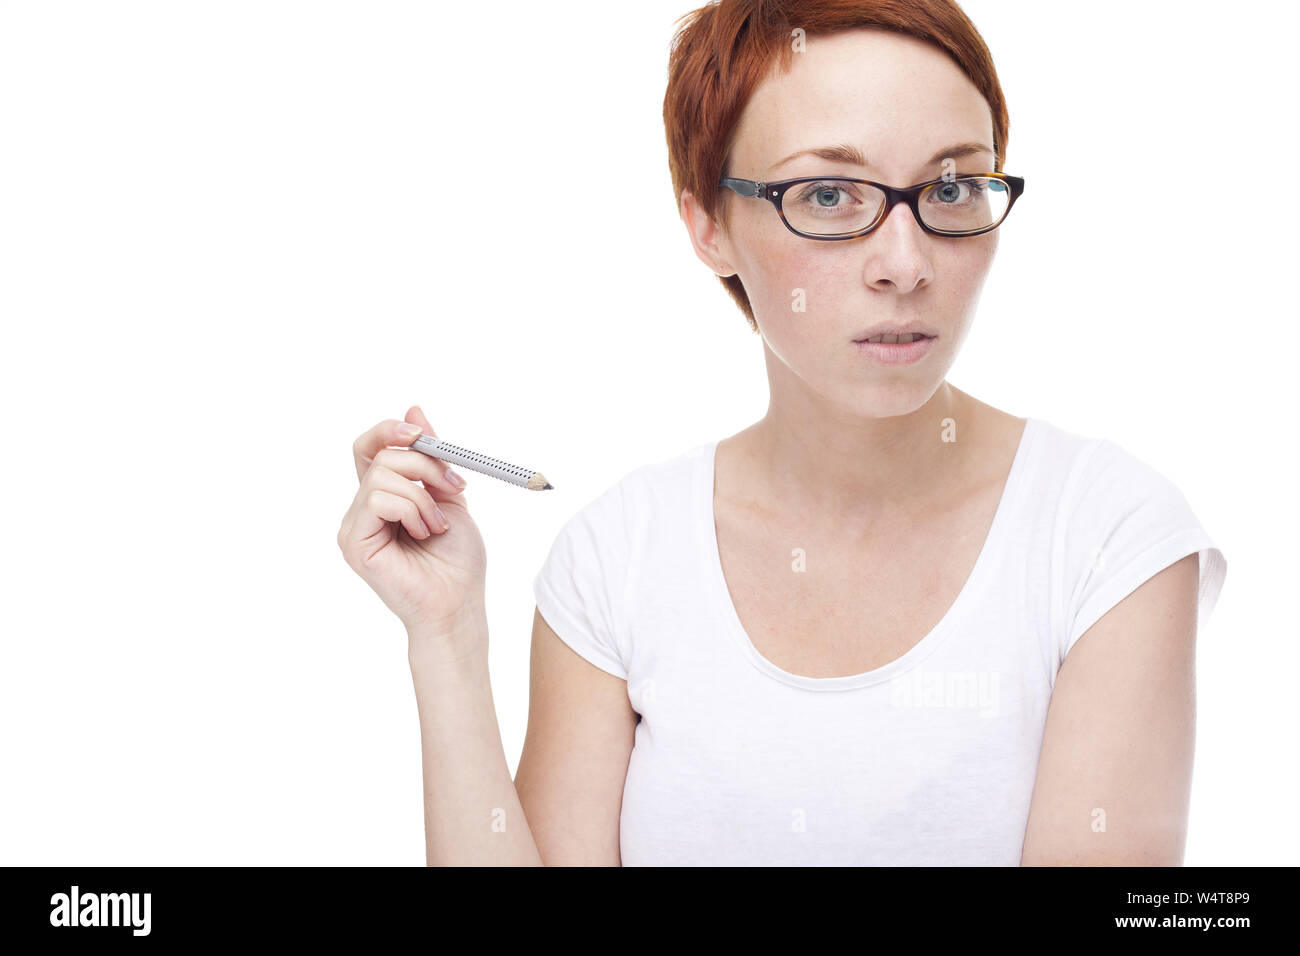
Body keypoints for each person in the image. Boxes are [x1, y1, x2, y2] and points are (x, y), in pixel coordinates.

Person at [337, 0, 1226, 865]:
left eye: (952, 186)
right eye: (830, 193)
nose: (905, 265)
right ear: (708, 225)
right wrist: (446, 636)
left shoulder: (1109, 535)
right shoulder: (617, 558)